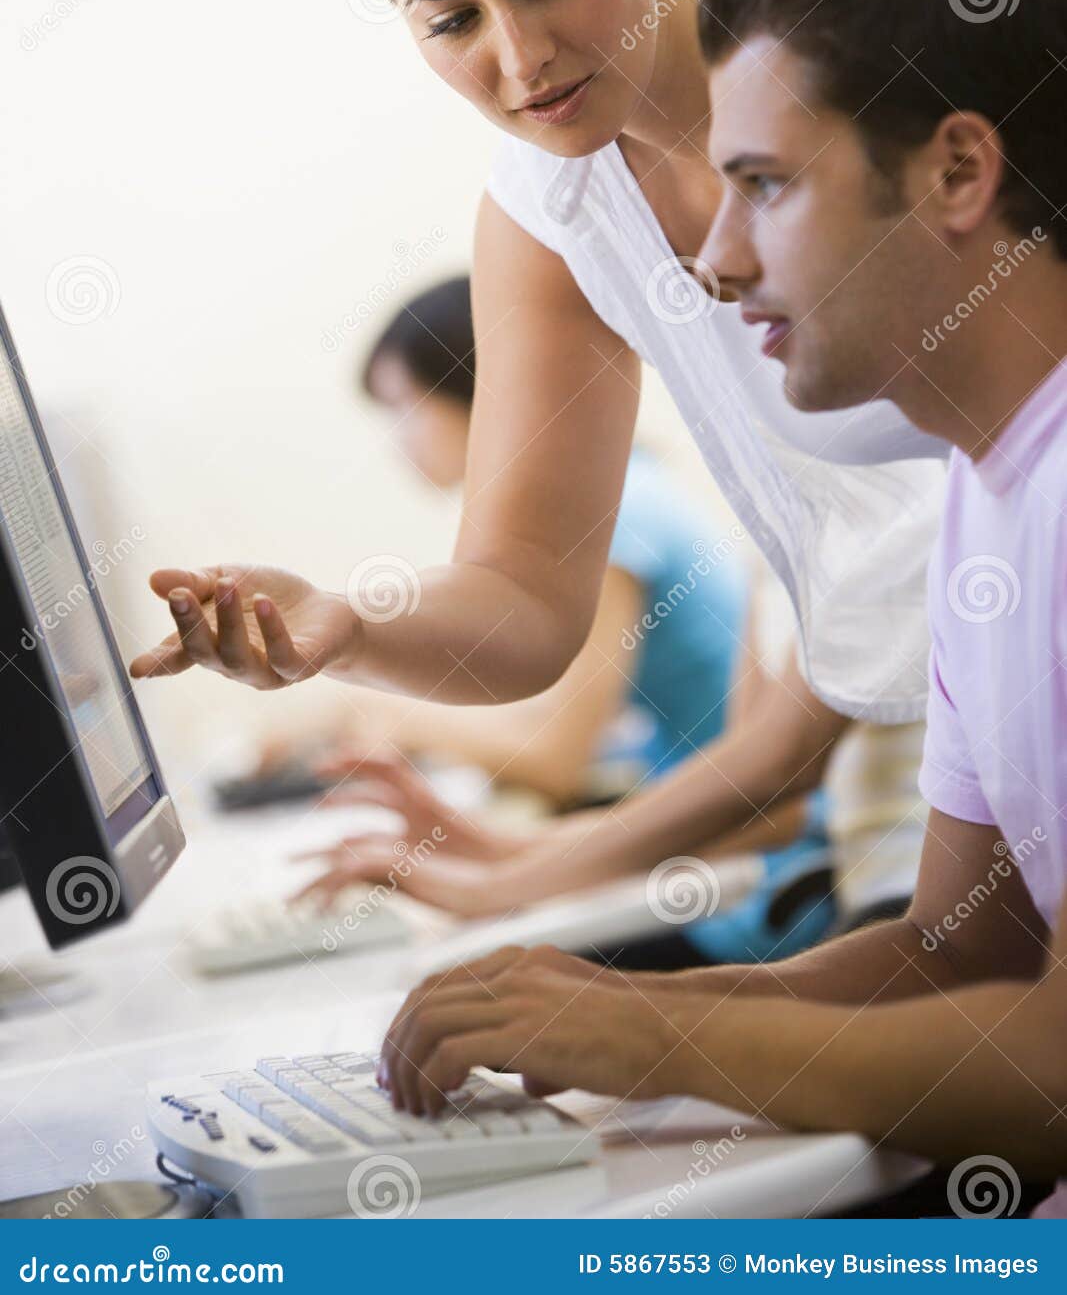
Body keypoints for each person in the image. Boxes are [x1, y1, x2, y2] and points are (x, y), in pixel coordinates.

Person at [131, 0, 972, 942]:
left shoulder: (850, 35)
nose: (520, 60)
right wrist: (347, 625)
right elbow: (523, 603)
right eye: (449, 19)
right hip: (917, 755)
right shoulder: (547, 209)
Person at [374, 0, 1067, 1217]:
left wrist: (651, 1032)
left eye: (761, 186)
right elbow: (951, 952)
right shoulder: (983, 502)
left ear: (958, 169)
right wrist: (595, 1016)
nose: (713, 260)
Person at [285, 274, 841, 965]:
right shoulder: (640, 496)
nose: (398, 442)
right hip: (713, 844)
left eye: (404, 408)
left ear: (477, 389)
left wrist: (386, 720)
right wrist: (491, 851)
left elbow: (553, 756)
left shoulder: (620, 520)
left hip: (754, 892)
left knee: (442, 980)